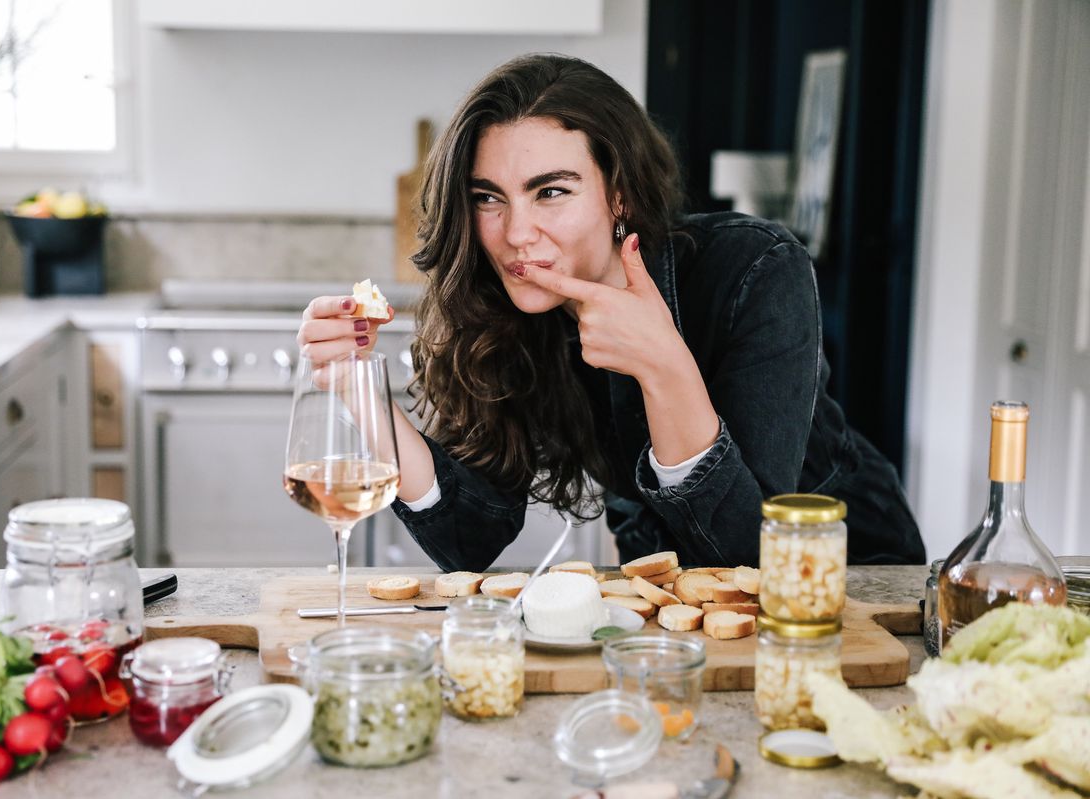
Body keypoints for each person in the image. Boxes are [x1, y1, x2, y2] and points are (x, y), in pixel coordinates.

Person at [297, 53, 925, 569]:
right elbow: (470, 539)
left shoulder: (755, 269)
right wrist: (363, 395)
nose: (517, 233)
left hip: (854, 580)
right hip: (664, 590)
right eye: (489, 198)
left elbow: (746, 560)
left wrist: (664, 367)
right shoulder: (508, 312)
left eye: (551, 192)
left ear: (618, 193)